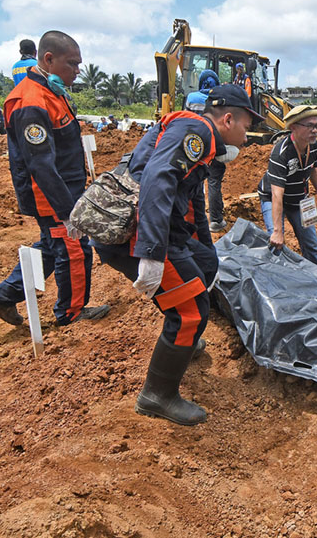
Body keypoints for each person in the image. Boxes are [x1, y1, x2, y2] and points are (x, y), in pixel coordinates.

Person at [92, 84, 263, 425]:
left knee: (203, 268)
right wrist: (152, 254)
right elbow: (157, 180)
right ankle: (157, 395)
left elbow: (193, 201)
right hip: (137, 234)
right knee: (190, 311)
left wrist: (205, 251)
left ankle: (184, 346)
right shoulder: (196, 131)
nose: (247, 138)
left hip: (158, 229)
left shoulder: (205, 142)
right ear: (227, 119)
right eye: (246, 127)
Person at [0, 30, 109, 327]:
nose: (77, 71)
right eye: (72, 64)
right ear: (48, 59)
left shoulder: (52, 92)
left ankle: (1, 297)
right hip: (50, 193)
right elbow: (41, 164)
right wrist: (67, 213)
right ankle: (71, 313)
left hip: (63, 188)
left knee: (51, 248)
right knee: (74, 247)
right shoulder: (30, 101)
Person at [257, 105, 317, 266]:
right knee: (276, 244)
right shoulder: (281, 153)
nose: (315, 130)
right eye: (310, 125)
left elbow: (312, 170)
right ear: (294, 127)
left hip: (300, 199)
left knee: (312, 245)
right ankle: (279, 282)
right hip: (273, 198)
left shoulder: (314, 146)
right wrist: (277, 231)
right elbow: (276, 194)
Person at [184, 71, 231, 231]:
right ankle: (216, 220)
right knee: (213, 182)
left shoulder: (191, 98)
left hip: (192, 146)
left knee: (192, 181)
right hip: (212, 145)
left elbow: (185, 120)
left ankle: (191, 220)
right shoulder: (220, 100)